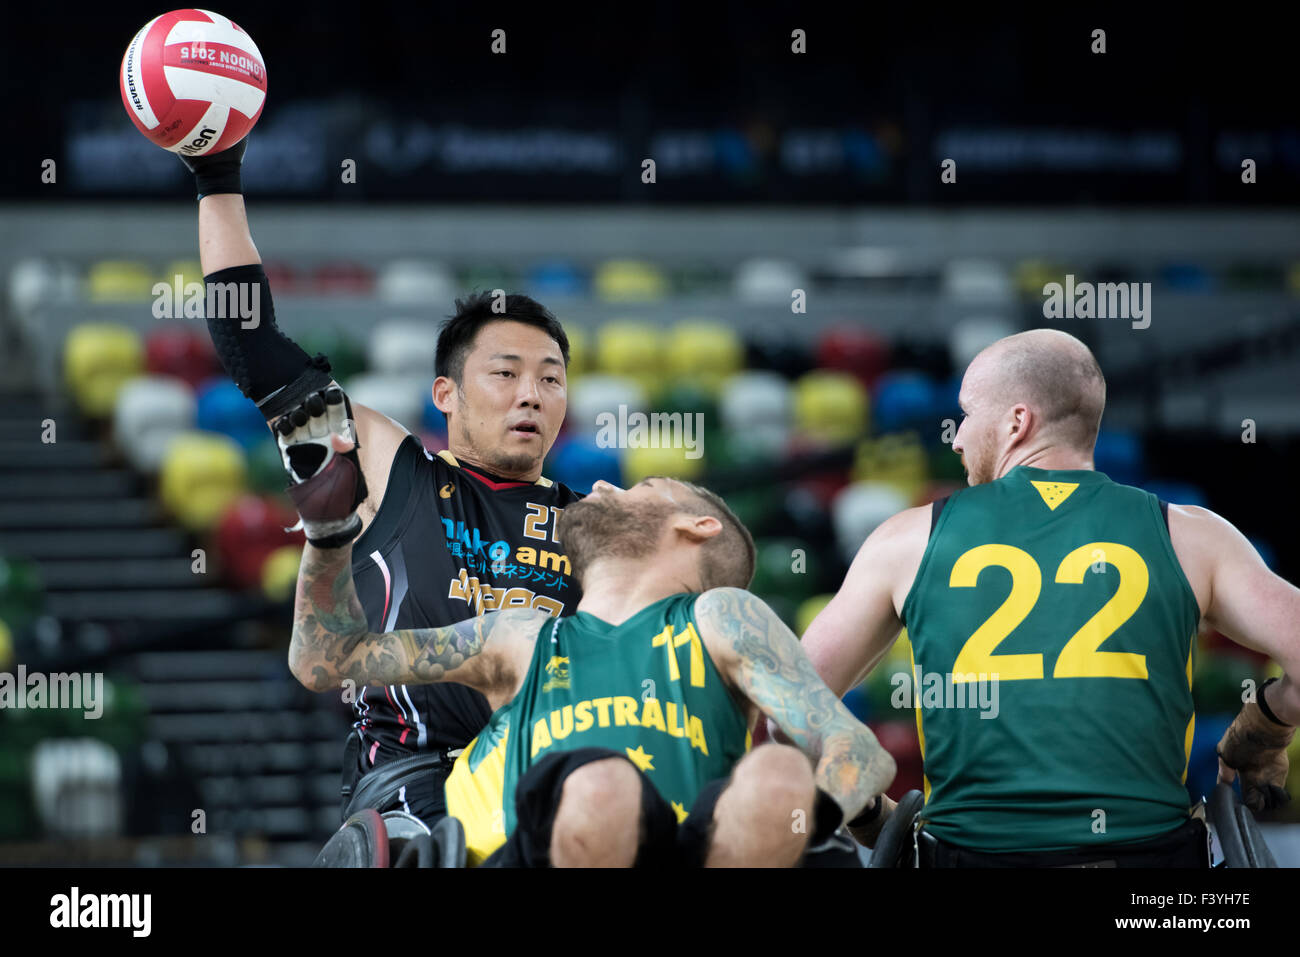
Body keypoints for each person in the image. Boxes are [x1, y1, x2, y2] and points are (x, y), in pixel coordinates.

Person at [179, 138, 584, 827]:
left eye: (550, 378)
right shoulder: (394, 467)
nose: (531, 395)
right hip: (412, 782)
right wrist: (218, 175)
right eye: (506, 372)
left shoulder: (595, 521)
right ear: (445, 394)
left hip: (551, 779)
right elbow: (256, 350)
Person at [285, 423, 896, 866]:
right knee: (603, 788)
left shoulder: (718, 616)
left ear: (697, 525)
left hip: (699, 849)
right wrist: (329, 536)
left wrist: (802, 824)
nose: (603, 484)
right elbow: (325, 660)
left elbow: (857, 755)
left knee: (779, 776)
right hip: (529, 849)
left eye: (642, 486)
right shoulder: (518, 632)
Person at [801, 328, 1297, 866]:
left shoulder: (906, 539)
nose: (956, 437)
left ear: (1017, 422)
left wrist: (864, 806)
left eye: (967, 414)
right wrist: (1269, 721)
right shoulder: (1192, 534)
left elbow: (789, 707)